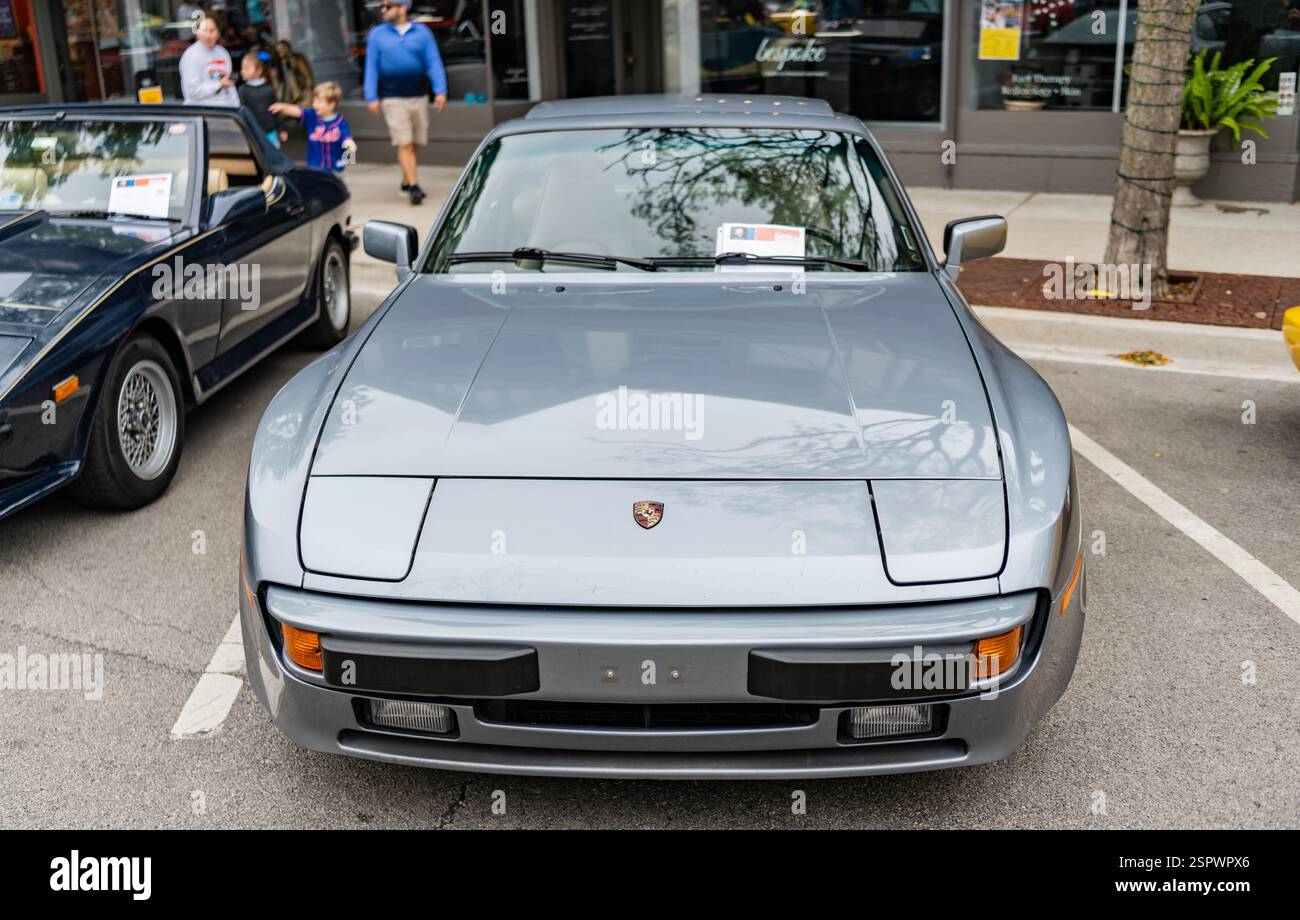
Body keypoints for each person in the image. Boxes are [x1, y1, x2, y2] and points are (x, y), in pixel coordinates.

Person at [363, 0, 447, 204]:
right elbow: (371, 66)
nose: (383, 10)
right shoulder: (377, 34)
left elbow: (433, 61)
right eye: (382, 6)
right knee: (404, 142)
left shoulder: (422, 32)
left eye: (388, 6)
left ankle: (406, 179)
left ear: (402, 7)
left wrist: (440, 90)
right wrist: (371, 96)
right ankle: (414, 187)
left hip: (419, 96)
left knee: (415, 141)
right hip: (392, 98)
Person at [271, 81, 357, 173]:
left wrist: (350, 146)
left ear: (331, 104)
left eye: (319, 102)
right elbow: (297, 111)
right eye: (314, 101)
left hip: (335, 170)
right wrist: (283, 107)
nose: (314, 104)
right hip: (314, 168)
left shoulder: (341, 123)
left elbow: (347, 139)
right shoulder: (311, 116)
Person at [180, 16, 239, 106]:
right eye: (204, 30)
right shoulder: (191, 55)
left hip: (226, 110)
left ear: (218, 33)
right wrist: (218, 85)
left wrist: (237, 107)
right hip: (202, 112)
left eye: (212, 31)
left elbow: (229, 84)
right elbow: (192, 91)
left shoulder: (222, 52)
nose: (208, 35)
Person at [238, 51, 283, 147]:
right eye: (242, 68)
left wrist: (280, 129)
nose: (242, 71)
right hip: (251, 132)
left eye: (247, 68)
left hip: (270, 133)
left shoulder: (268, 90)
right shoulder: (242, 90)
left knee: (273, 155)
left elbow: (276, 111)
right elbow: (241, 112)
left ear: (259, 71)